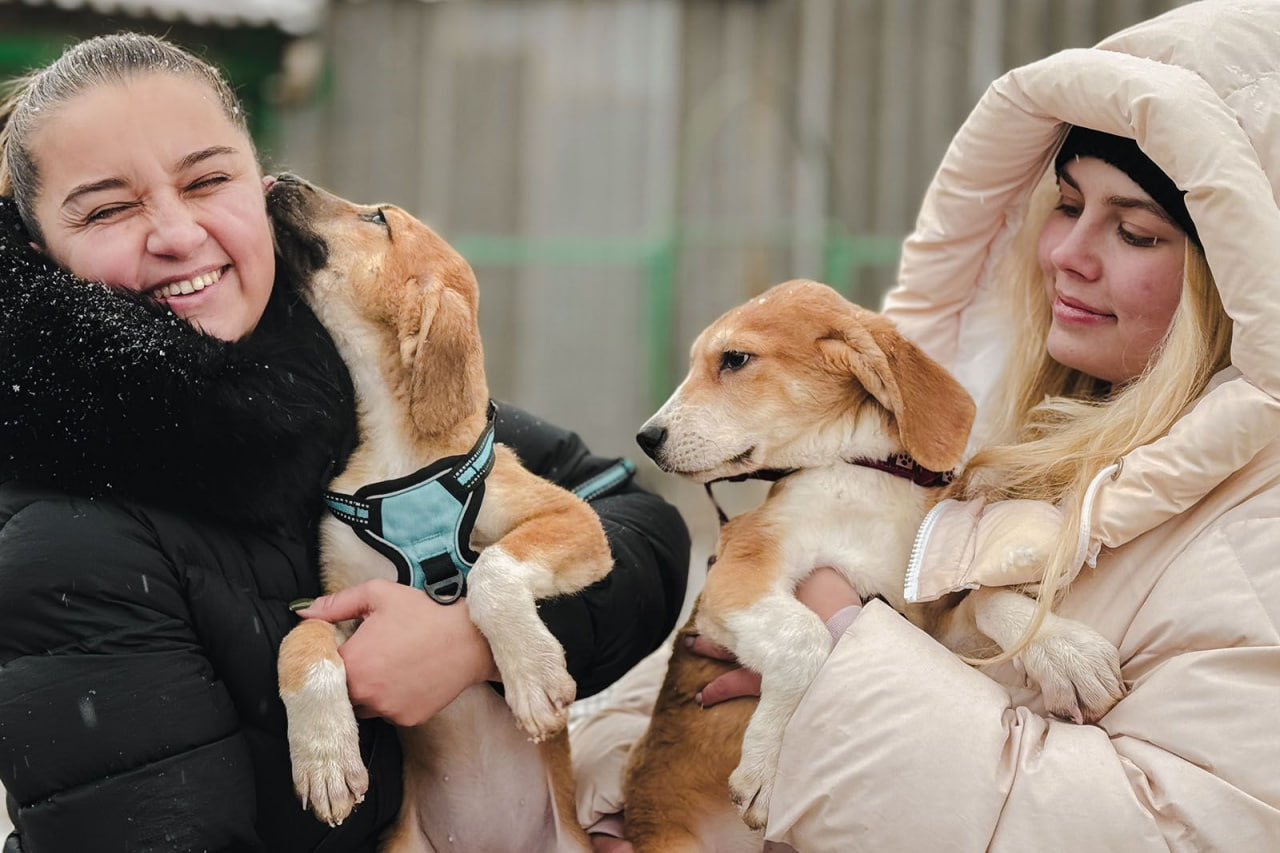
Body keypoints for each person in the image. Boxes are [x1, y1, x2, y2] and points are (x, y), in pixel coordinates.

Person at [572, 1, 1280, 850]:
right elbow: (690, 672)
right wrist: (623, 794)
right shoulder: (956, 422)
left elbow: (1166, 830)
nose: (1067, 253)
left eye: (1134, 230)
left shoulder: (1255, 528)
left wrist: (839, 635)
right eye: (1064, 203)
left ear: (1238, 281)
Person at [0, 33, 690, 852]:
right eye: (109, 208)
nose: (178, 233)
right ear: (42, 253)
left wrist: (471, 642)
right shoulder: (62, 533)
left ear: (261, 186)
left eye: (208, 179)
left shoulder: (350, 367)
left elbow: (635, 522)